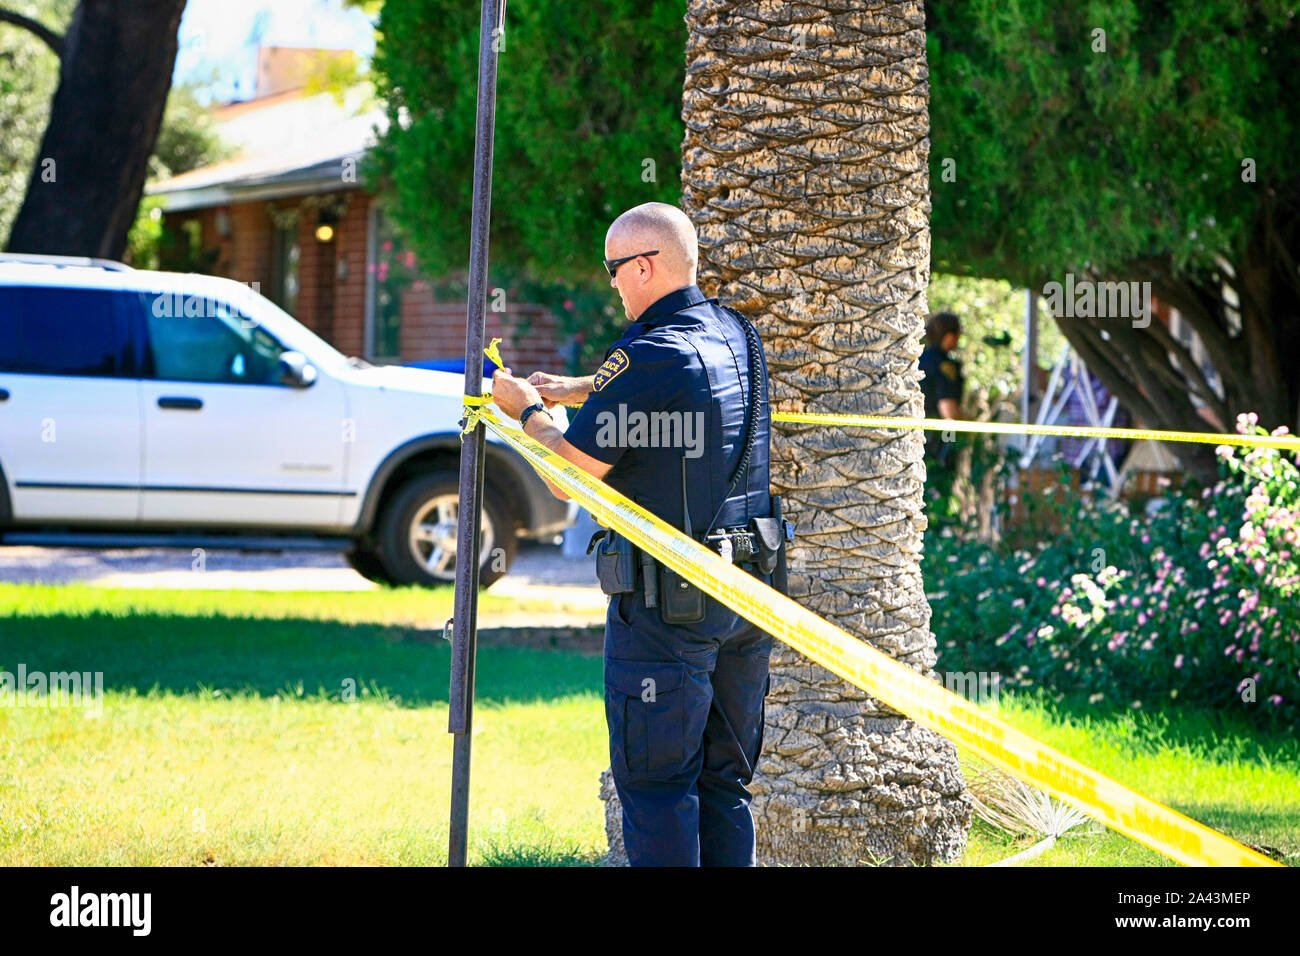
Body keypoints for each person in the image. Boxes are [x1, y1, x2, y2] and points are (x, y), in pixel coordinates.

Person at [490, 201, 777, 867]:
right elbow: (666, 388)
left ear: (645, 266)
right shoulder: (735, 332)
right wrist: (575, 390)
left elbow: (571, 479)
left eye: (614, 268)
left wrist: (527, 409)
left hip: (669, 610)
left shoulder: (647, 354)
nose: (612, 281)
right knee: (723, 785)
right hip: (748, 596)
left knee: (656, 790)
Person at [918, 311, 965, 471]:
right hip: (937, 442)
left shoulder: (919, 357)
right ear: (950, 336)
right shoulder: (945, 365)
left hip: (915, 437)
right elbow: (948, 411)